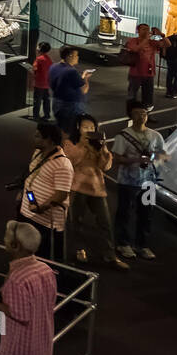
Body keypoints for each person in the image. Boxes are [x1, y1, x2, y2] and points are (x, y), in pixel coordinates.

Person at [0, 221, 57, 355]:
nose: (4, 240)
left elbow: (20, 315)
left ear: (16, 245)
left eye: (7, 238)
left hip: (19, 353)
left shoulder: (17, 280)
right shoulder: (46, 269)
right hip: (42, 347)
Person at [62, 115, 127, 269]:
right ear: (78, 128)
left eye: (92, 128)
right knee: (76, 221)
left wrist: (101, 149)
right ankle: (79, 250)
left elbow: (106, 166)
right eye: (85, 127)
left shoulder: (99, 144)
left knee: (105, 222)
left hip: (96, 187)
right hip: (76, 187)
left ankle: (110, 255)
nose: (89, 130)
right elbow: (69, 163)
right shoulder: (69, 143)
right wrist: (84, 147)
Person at [110, 100, 169, 260]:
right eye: (137, 113)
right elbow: (117, 158)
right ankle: (123, 244)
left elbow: (165, 156)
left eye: (144, 113)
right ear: (130, 115)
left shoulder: (156, 136)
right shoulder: (123, 136)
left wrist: (151, 157)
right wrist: (137, 159)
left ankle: (141, 244)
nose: (141, 116)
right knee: (125, 213)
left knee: (146, 214)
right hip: (127, 182)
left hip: (149, 182)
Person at [18, 122, 73, 262]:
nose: (34, 138)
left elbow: (62, 194)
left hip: (45, 222)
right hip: (26, 213)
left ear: (48, 139)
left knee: (43, 259)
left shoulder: (63, 164)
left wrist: (42, 207)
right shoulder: (38, 153)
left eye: (38, 136)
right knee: (24, 251)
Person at [48, 46, 92, 134]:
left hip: (57, 103)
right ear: (70, 56)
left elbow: (56, 82)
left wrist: (80, 78)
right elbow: (84, 90)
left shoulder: (53, 67)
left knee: (61, 130)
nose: (78, 57)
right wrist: (86, 79)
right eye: (76, 55)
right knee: (72, 132)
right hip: (71, 106)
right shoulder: (71, 71)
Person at [124, 23, 165, 108]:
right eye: (143, 29)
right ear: (138, 31)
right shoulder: (132, 40)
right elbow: (135, 49)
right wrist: (146, 39)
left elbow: (168, 44)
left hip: (149, 73)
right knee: (132, 96)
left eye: (147, 29)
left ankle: (146, 115)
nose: (146, 31)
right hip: (135, 73)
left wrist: (161, 34)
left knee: (148, 97)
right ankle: (132, 115)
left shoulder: (152, 43)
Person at [31, 41, 52, 122]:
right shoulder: (48, 59)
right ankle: (47, 115)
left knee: (37, 100)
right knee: (46, 100)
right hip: (46, 83)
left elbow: (34, 68)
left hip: (39, 83)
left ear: (39, 48)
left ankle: (36, 116)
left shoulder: (39, 59)